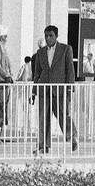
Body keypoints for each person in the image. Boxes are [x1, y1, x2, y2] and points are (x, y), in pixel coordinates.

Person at [31, 24, 77, 152]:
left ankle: (72, 136)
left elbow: (70, 70)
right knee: (43, 118)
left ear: (56, 36)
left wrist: (69, 88)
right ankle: (43, 146)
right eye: (46, 36)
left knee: (64, 115)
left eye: (50, 36)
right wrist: (34, 92)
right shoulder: (40, 52)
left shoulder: (66, 49)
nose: (48, 38)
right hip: (44, 90)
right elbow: (37, 74)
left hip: (60, 89)